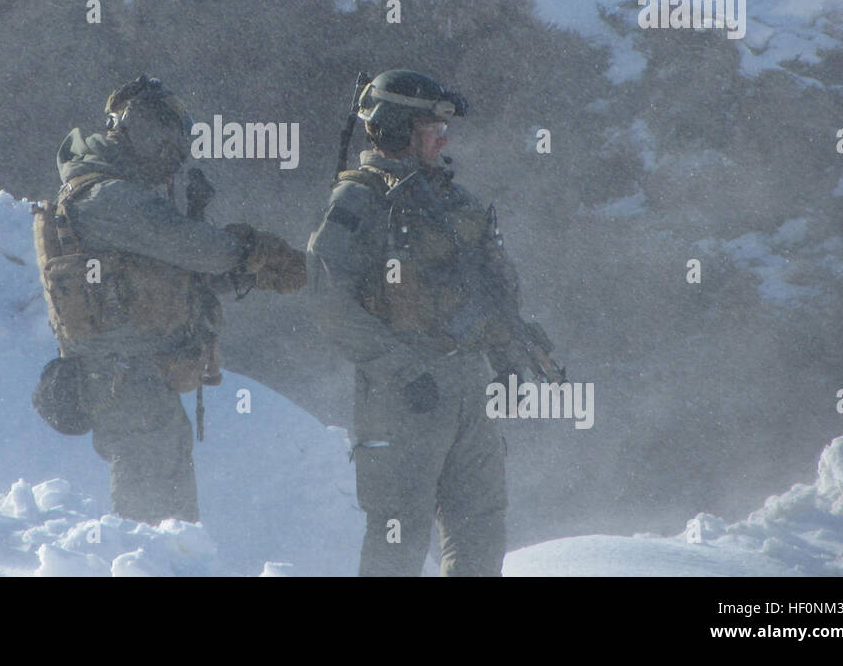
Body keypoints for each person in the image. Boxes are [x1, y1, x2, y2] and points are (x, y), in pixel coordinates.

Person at [32, 74, 305, 524]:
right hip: (126, 380)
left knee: (169, 503)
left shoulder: (112, 195)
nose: (175, 157)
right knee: (149, 508)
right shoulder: (108, 197)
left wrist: (245, 270)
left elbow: (163, 276)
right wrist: (248, 251)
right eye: (169, 139)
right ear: (138, 127)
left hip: (139, 378)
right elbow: (199, 249)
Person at [308, 69, 534, 576]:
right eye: (432, 128)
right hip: (401, 393)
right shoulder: (359, 202)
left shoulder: (455, 202)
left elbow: (490, 290)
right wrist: (404, 371)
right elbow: (329, 303)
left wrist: (507, 357)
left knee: (480, 522)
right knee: (398, 531)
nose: (444, 138)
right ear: (395, 129)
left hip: (468, 385)